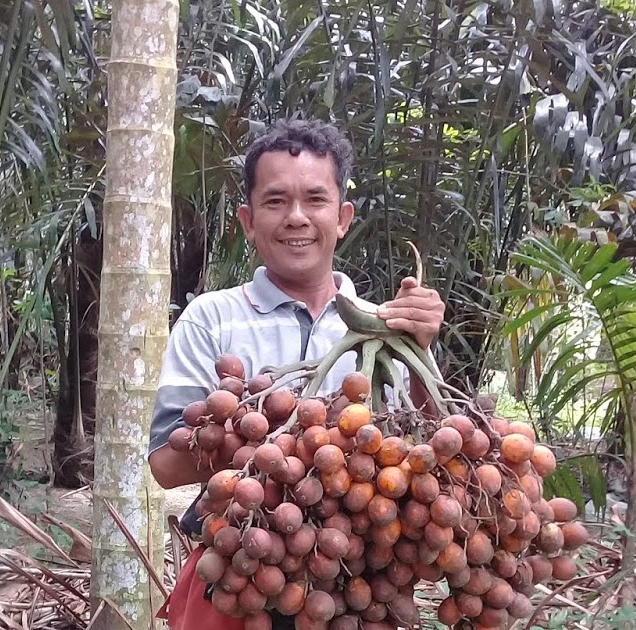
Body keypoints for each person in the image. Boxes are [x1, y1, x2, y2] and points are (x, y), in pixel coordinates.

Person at [148, 118, 446, 630]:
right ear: (248, 220)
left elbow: (429, 462)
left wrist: (421, 354)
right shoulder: (211, 318)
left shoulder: (386, 330)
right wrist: (278, 438)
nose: (296, 217)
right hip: (239, 577)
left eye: (315, 199)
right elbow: (165, 466)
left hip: (356, 589)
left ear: (343, 217)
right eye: (275, 201)